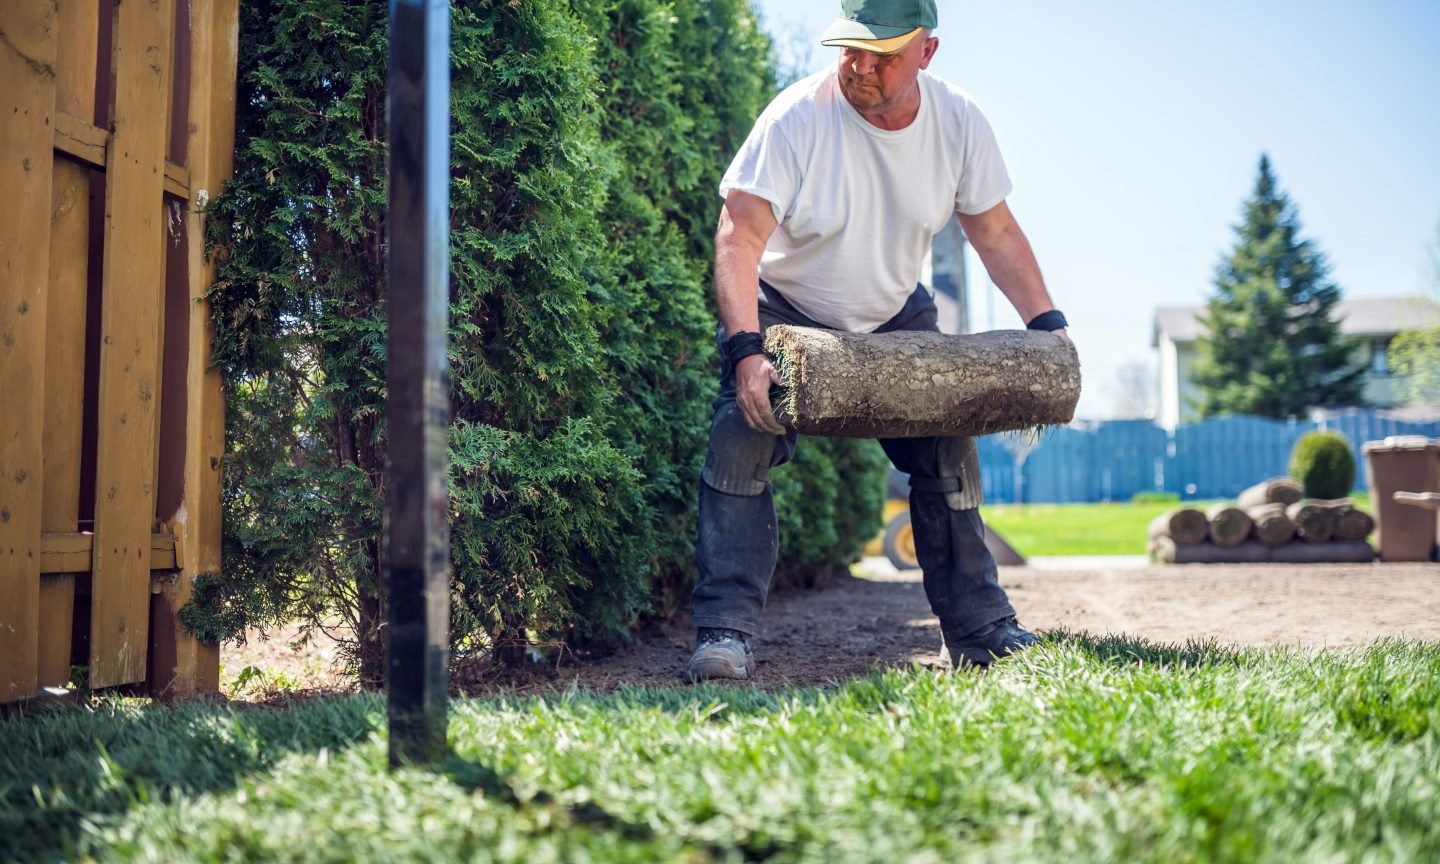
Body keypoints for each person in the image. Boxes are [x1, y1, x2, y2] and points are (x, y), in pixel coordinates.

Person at [686, 0, 1071, 681]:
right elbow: (738, 236)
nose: (860, 68)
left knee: (948, 449)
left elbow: (996, 232)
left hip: (895, 311)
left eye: (883, 54)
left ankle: (982, 630)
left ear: (927, 52)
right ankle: (725, 634)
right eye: (849, 50)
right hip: (785, 309)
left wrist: (1048, 327)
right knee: (739, 440)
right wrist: (745, 350)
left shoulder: (958, 122)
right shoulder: (797, 118)